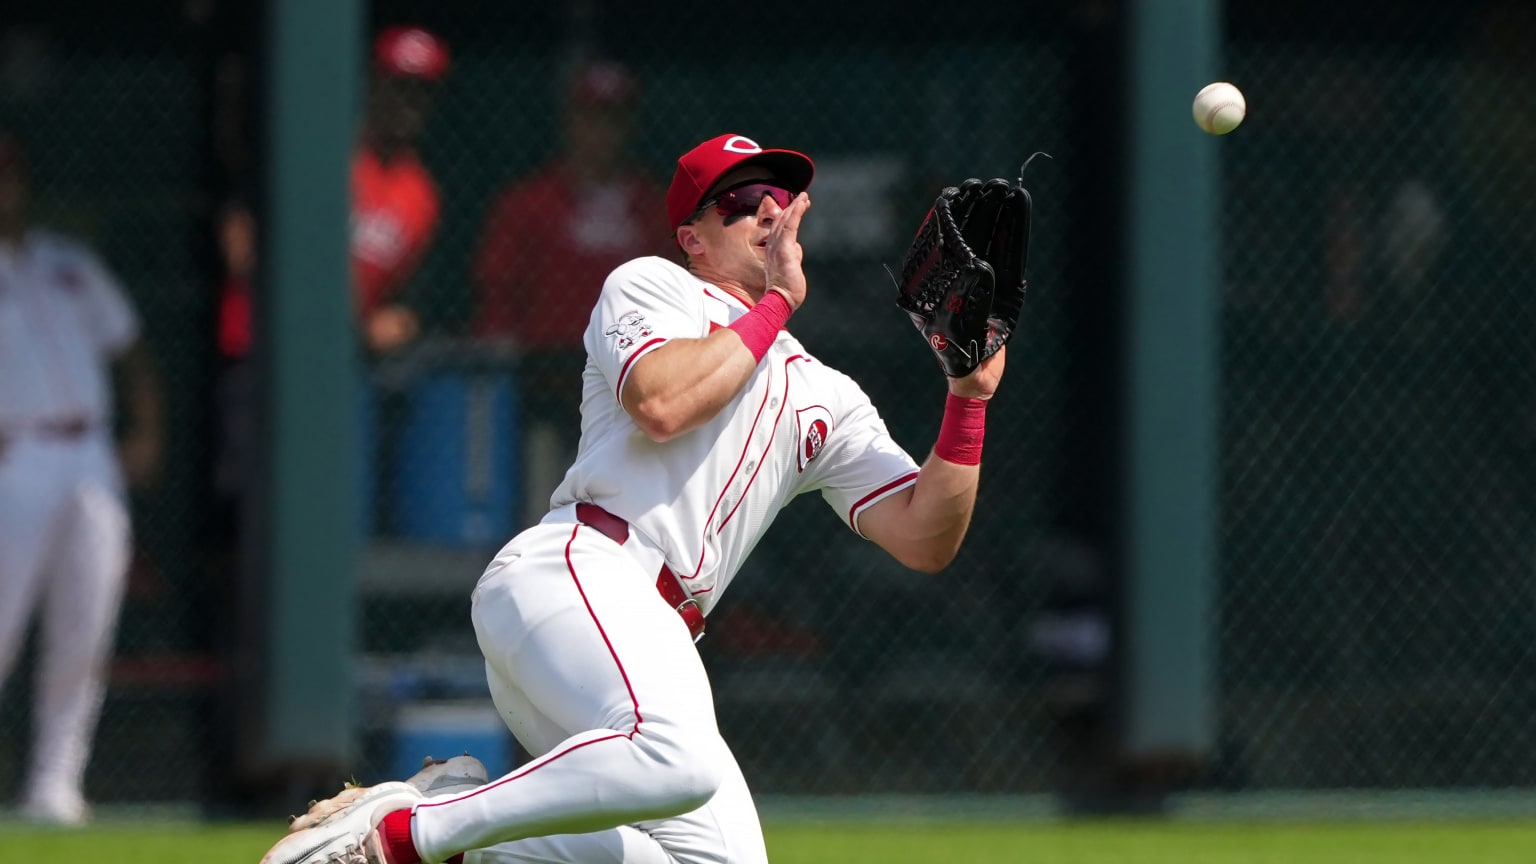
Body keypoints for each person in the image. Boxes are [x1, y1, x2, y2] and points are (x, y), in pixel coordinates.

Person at [261, 132, 1010, 864]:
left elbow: (924, 536)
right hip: (579, 576)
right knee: (677, 759)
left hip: (653, 638)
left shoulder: (828, 394)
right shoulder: (652, 287)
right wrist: (779, 300)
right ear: (691, 236)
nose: (769, 213)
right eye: (743, 201)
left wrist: (966, 398)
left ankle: (464, 837)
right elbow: (661, 402)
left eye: (781, 199)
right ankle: (401, 836)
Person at [0, 128, 164, 824]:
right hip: (15, 452)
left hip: (89, 452)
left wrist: (146, 430)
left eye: (10, 172)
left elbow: (130, 351)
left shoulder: (67, 262)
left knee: (85, 623)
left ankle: (55, 785)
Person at [470, 58, 674, 525]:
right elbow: (497, 296)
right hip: (545, 391)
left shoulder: (653, 208)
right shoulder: (529, 205)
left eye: (614, 118)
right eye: (590, 117)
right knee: (546, 512)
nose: (601, 132)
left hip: (633, 397)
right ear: (569, 122)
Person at [351, 24, 452, 356]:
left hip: (354, 357)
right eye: (399, 87)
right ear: (374, 85)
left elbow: (406, 302)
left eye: (421, 92)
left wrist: (400, 318)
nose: (409, 103)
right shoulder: (333, 156)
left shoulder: (421, 195)